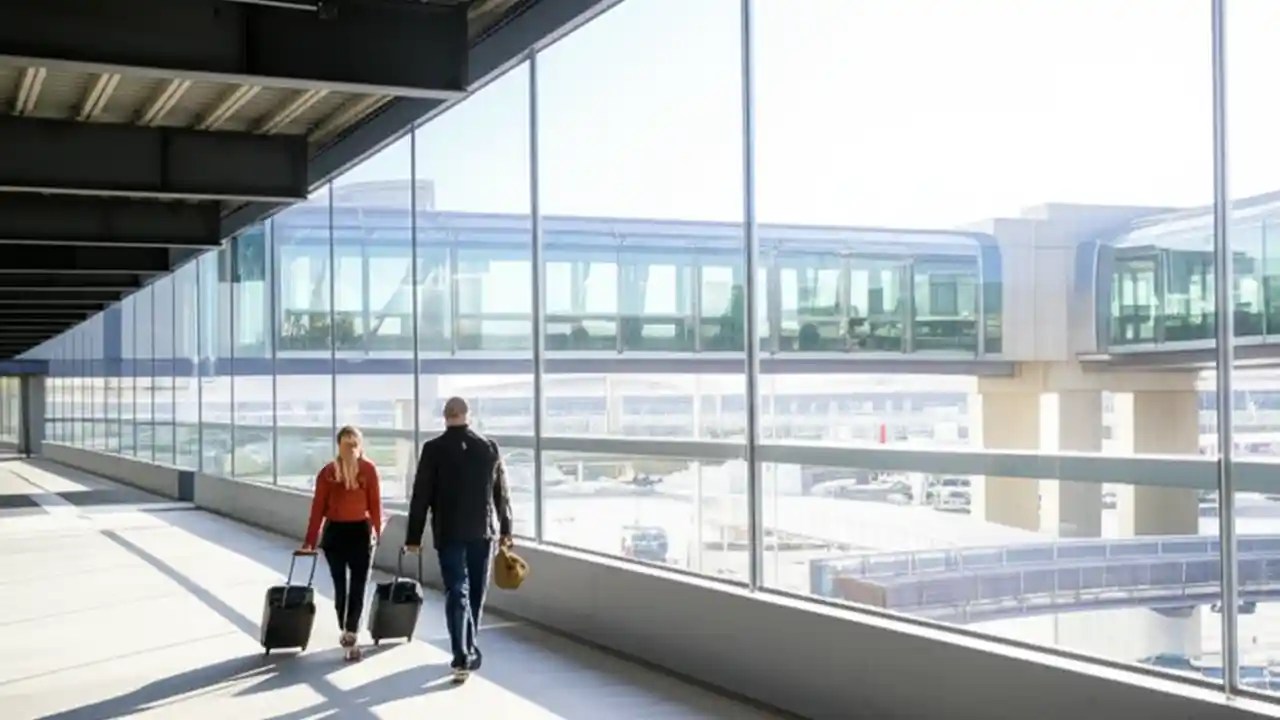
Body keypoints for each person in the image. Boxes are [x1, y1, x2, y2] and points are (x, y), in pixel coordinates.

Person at [404, 397, 513, 682]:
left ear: (445, 416)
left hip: (449, 531)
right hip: (482, 532)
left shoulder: (433, 450)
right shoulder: (488, 448)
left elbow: (421, 496)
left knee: (456, 590)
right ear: (468, 415)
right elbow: (501, 492)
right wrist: (506, 529)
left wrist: (413, 536)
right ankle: (469, 646)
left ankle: (461, 654)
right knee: (475, 591)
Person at [300, 425, 384, 661]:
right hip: (360, 533)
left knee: (340, 585)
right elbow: (375, 505)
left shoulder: (327, 472)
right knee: (358, 585)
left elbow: (318, 509)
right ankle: (351, 631)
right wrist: (378, 531)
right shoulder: (368, 469)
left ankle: (345, 628)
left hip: (334, 534)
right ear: (361, 444)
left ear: (338, 445)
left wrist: (310, 541)